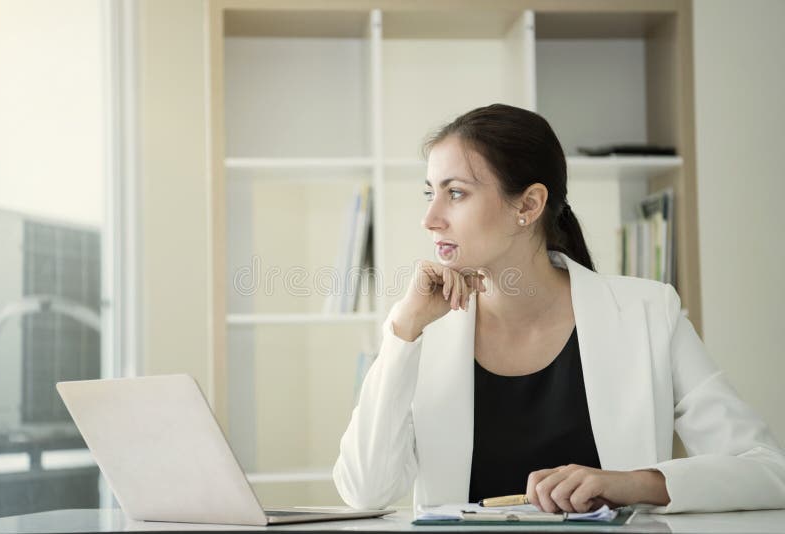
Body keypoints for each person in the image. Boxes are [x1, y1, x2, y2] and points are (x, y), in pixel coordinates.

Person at [332, 104, 785, 514]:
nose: (430, 219)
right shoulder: (422, 330)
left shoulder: (649, 313)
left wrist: (635, 484)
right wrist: (403, 330)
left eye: (456, 193)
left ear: (528, 204)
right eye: (429, 193)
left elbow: (767, 470)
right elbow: (365, 491)